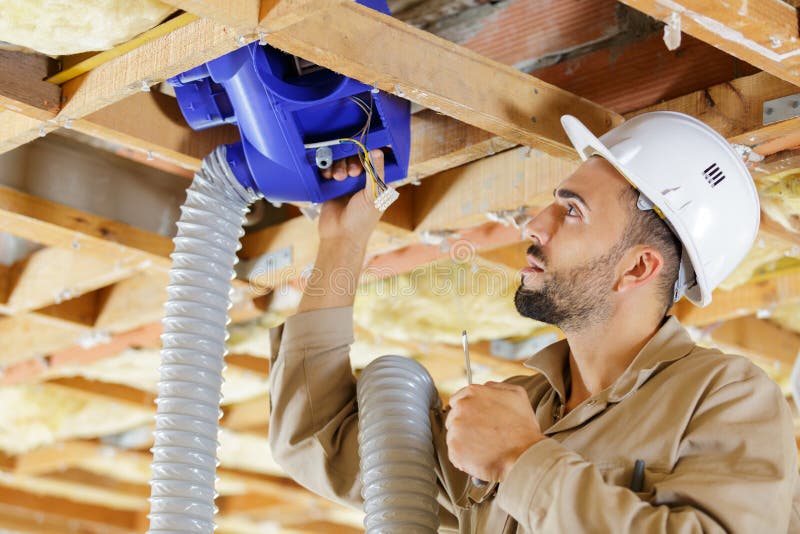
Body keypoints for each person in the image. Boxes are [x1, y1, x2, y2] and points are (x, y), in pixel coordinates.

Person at [267, 112, 800, 532]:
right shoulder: (520, 406)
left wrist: (522, 460)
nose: (533, 223)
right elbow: (318, 438)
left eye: (572, 211)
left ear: (638, 266)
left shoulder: (725, 397)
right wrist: (343, 244)